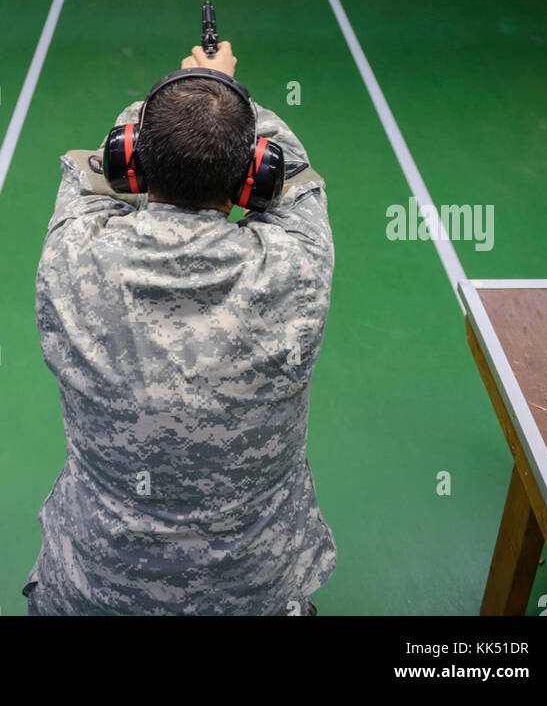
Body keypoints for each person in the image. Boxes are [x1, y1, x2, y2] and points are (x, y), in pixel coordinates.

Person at [22, 38, 336, 616]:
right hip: (252, 594)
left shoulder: (72, 260)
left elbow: (101, 173)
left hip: (95, 590)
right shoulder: (298, 270)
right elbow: (293, 177)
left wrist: (190, 97)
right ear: (252, 176)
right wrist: (223, 95)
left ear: (133, 158)